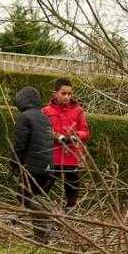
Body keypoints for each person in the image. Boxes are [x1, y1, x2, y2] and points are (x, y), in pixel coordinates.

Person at [10, 86, 55, 242]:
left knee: (25, 199)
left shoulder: (24, 118)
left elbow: (19, 145)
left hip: (33, 169)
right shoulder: (45, 118)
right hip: (49, 169)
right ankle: (41, 238)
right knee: (34, 197)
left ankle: (48, 221)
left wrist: (14, 164)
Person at [42, 78, 91, 212]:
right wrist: (55, 136)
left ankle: (71, 210)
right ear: (55, 93)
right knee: (46, 183)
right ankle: (36, 206)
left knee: (72, 185)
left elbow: (86, 132)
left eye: (69, 94)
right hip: (53, 154)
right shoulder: (46, 111)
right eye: (63, 93)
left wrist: (74, 137)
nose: (67, 97)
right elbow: (43, 130)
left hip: (72, 155)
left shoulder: (78, 111)